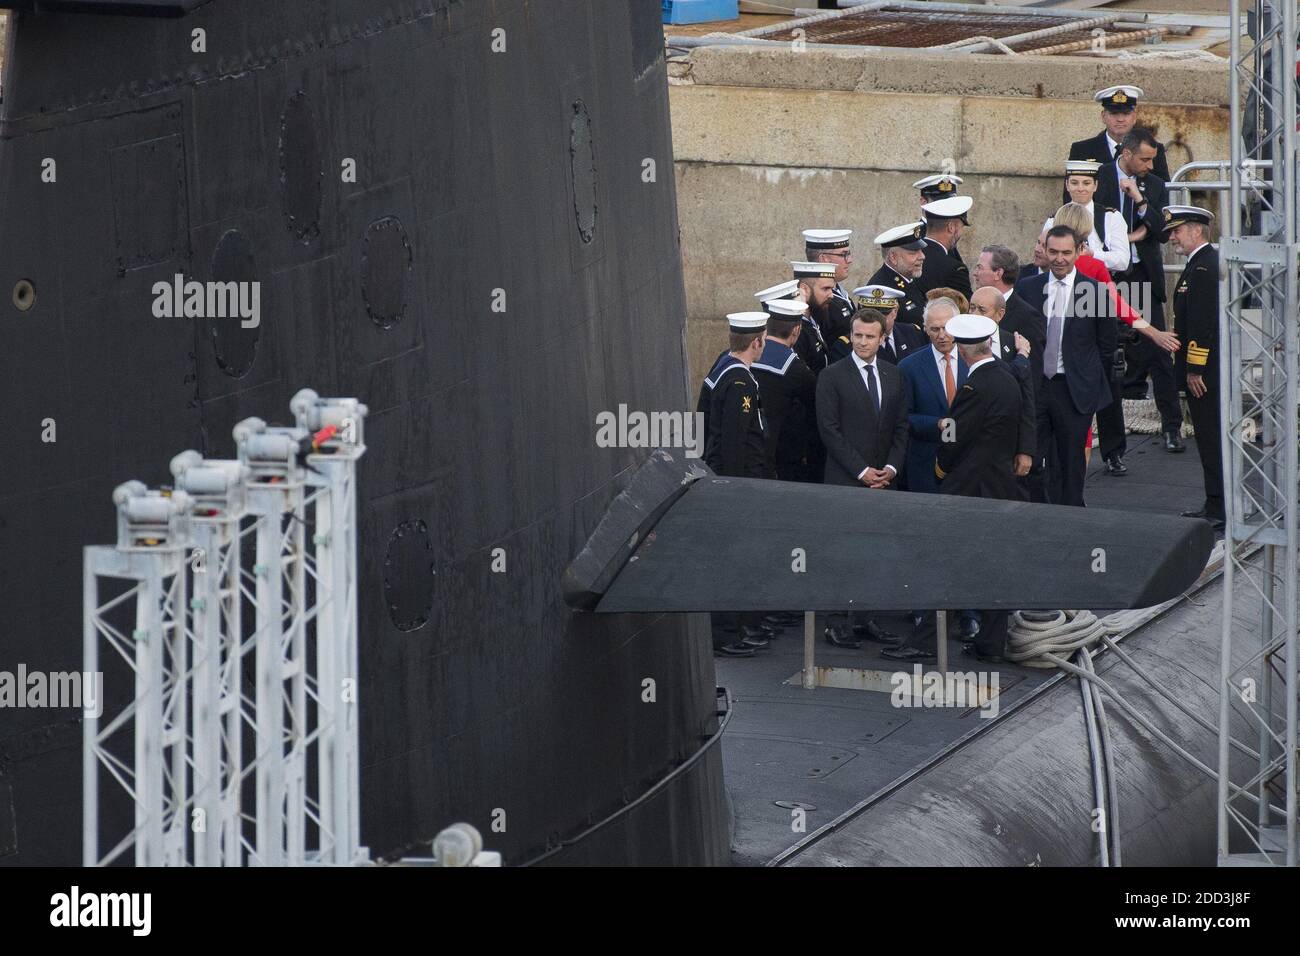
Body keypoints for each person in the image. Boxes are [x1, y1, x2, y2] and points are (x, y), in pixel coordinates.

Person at [1050, 203, 1183, 477]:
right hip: (1098, 342)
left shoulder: (1046, 267)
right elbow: (1119, 304)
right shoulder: (1093, 265)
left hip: (1060, 352)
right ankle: (1110, 457)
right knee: (1106, 401)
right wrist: (1153, 331)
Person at [816, 308, 910, 650]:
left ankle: (868, 617)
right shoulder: (831, 376)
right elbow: (829, 430)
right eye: (857, 335)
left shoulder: (893, 375)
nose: (862, 342)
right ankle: (838, 622)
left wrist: (892, 469)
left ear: (881, 339)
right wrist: (862, 471)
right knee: (843, 553)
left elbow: (901, 427)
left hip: (886, 482)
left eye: (870, 336)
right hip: (846, 483)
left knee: (878, 552)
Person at [935, 313, 1025, 662]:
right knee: (994, 565)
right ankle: (990, 638)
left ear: (963, 349)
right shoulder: (1006, 375)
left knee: (959, 561)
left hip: (972, 486)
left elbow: (954, 434)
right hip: (1000, 484)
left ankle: (943, 638)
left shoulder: (975, 387)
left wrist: (941, 462)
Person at [1019, 225, 1116, 507]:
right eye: (1053, 252)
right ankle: (1037, 515)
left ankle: (1072, 516)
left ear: (1079, 251)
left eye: (1066, 252)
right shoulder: (1028, 288)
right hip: (1036, 388)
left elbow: (1107, 344)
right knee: (1031, 459)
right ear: (1044, 251)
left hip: (1073, 390)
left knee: (1072, 462)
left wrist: (1088, 379)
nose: (1059, 259)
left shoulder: (1094, 291)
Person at [698, 311, 775, 656]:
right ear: (756, 341)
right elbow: (735, 440)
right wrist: (735, 491)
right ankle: (726, 633)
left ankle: (733, 626)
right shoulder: (740, 382)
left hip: (722, 478)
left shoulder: (720, 371)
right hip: (736, 485)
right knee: (731, 560)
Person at [1104, 127, 1184, 456]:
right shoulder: (1098, 180)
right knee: (1102, 346)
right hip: (1107, 276)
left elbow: (1163, 232)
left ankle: (1171, 427)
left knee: (1159, 346)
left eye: (1153, 158)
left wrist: (1139, 201)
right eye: (1145, 159)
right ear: (1126, 154)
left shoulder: (1154, 185)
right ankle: (1107, 436)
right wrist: (1127, 237)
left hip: (1142, 275)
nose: (1150, 165)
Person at [1165, 205, 1224, 530]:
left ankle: (1220, 507)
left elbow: (1202, 324)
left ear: (1197, 231)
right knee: (1207, 438)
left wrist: (1194, 369)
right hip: (1204, 370)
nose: (1173, 236)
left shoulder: (1203, 268)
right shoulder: (1198, 265)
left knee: (1211, 438)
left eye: (1178, 229)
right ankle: (1214, 502)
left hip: (1207, 372)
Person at [969, 285, 1036, 494]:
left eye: (982, 310)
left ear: (1000, 314)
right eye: (971, 308)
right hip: (971, 446)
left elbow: (1026, 400)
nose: (974, 315)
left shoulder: (1014, 344)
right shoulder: (959, 342)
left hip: (1006, 449)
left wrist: (1025, 450)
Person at [898, 297, 966, 495]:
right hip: (925, 465)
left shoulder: (974, 362)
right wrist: (936, 424)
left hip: (967, 463)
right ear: (925, 329)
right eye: (935, 329)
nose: (942, 335)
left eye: (947, 328)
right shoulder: (909, 367)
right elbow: (903, 418)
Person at [752, 298, 819, 483]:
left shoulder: (740, 355)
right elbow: (815, 410)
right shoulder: (796, 370)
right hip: (777, 458)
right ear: (797, 330)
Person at [1066, 85, 1170, 204]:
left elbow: (1163, 194)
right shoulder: (1082, 150)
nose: (1120, 119)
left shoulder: (1153, 150)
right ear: (1103, 116)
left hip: (1139, 220)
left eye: (1126, 114)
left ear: (1134, 117)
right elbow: (1070, 196)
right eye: (1114, 113)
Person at [1045, 160, 1129, 275]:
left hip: (1101, 282)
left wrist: (1093, 254)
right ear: (1067, 185)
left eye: (1086, 183)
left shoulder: (1111, 217)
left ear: (1095, 185)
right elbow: (1045, 256)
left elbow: (1123, 261)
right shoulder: (1054, 219)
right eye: (1074, 183)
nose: (1080, 188)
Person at [866, 220, 929, 329]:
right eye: (913, 252)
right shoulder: (882, 290)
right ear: (893, 258)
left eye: (921, 250)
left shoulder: (910, 278)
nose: (922, 256)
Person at [847, 284, 925, 366]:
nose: (877, 319)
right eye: (870, 314)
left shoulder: (913, 333)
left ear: (895, 311)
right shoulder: (849, 344)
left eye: (883, 313)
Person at [803, 228, 857, 340]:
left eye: (849, 254)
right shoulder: (818, 300)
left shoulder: (838, 291)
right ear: (824, 258)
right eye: (844, 255)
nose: (850, 259)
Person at [918, 195, 973, 300]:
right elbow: (965, 308)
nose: (961, 232)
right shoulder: (954, 269)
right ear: (951, 227)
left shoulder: (909, 257)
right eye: (962, 226)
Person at [790, 261, 838, 375]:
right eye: (825, 289)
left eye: (832, 289)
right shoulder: (797, 330)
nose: (831, 295)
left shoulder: (817, 315)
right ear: (804, 289)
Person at [914, 172, 966, 264]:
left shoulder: (950, 228)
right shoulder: (916, 237)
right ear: (923, 202)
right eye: (939, 203)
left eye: (951, 203)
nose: (947, 208)